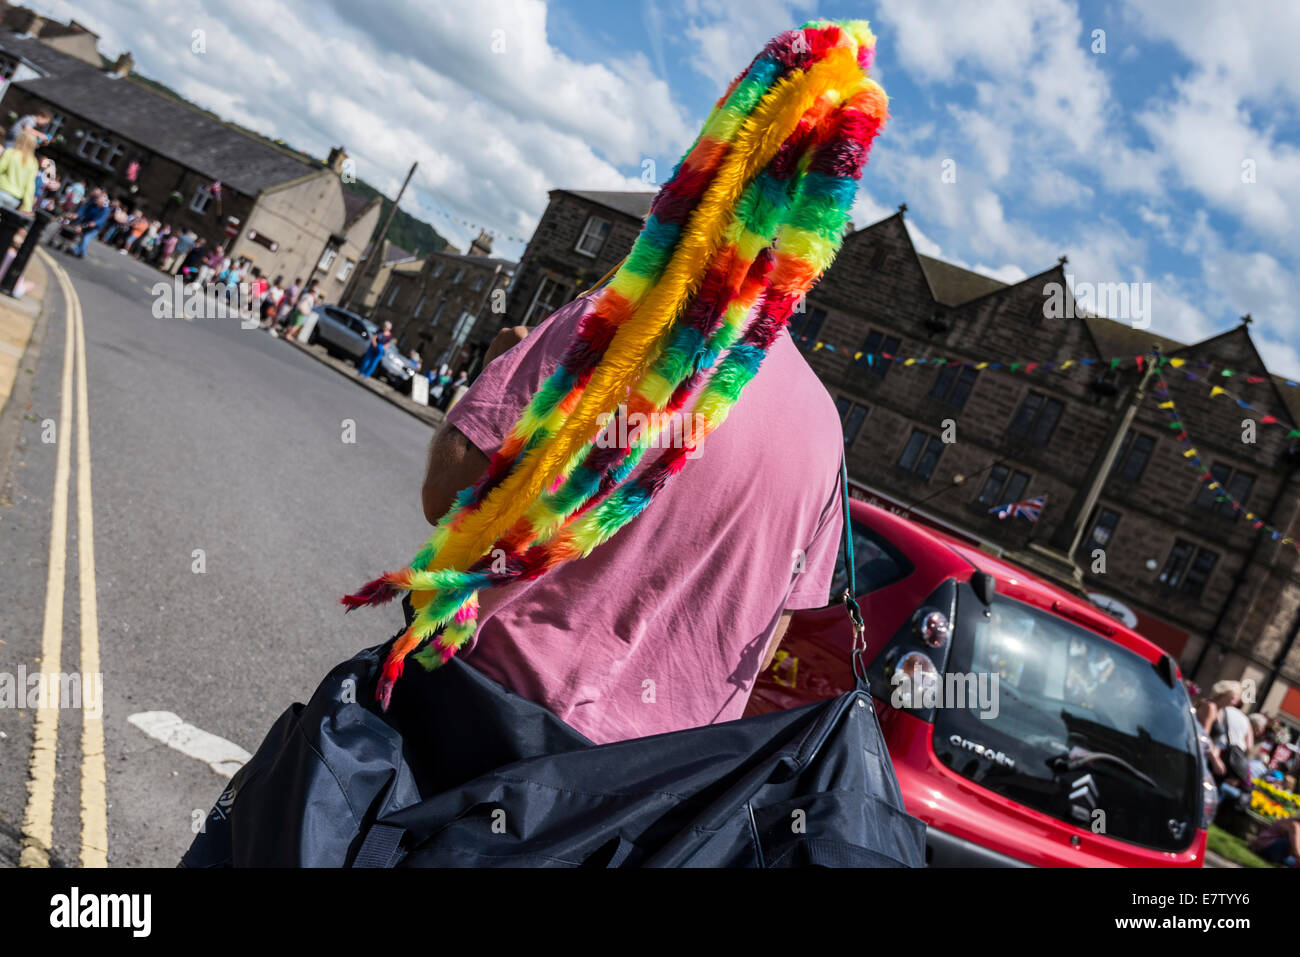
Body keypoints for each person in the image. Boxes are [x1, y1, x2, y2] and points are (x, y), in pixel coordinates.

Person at [409, 292, 845, 745]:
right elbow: (768, 639)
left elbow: (446, 494)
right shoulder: (827, 433)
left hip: (488, 717)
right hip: (652, 781)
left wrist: (495, 374)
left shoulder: (620, 317)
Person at [0, 128, 41, 213]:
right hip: (14, 200)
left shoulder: (10, 153)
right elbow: (30, 186)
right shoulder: (33, 162)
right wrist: (27, 207)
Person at [68, 191, 110, 258]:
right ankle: (77, 251)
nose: (97, 200)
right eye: (97, 198)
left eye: (99, 199)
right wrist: (77, 214)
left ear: (103, 202)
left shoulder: (105, 210)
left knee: (86, 238)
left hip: (95, 228)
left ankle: (81, 253)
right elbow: (83, 210)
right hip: (86, 223)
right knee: (81, 237)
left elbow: (102, 219)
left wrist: (95, 222)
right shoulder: (91, 204)